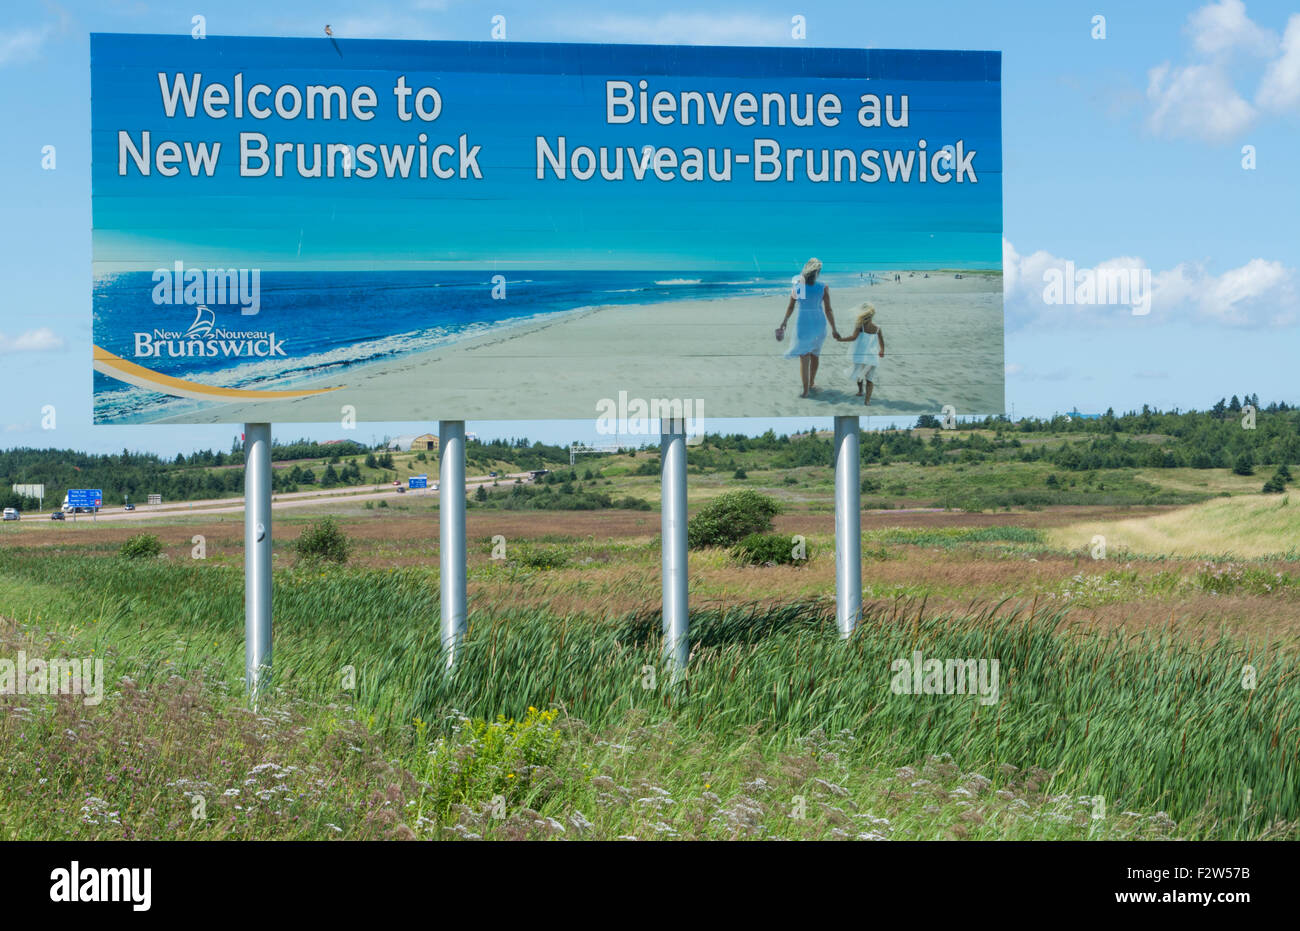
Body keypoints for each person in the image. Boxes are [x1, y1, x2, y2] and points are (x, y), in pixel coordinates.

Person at [776, 258, 838, 398]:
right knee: (815, 356)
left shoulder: (798, 287)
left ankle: (805, 390)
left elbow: (791, 307)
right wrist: (834, 328)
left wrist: (784, 322)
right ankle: (811, 383)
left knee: (804, 358)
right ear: (817, 272)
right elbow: (828, 310)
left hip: (803, 324)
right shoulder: (823, 287)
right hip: (818, 324)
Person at [835, 302, 884, 405]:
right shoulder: (877, 328)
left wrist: (840, 339)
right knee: (869, 379)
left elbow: (853, 338)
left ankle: (861, 391)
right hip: (872, 357)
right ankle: (867, 400)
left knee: (859, 374)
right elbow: (881, 341)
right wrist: (882, 350)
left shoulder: (859, 326)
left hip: (861, 356)